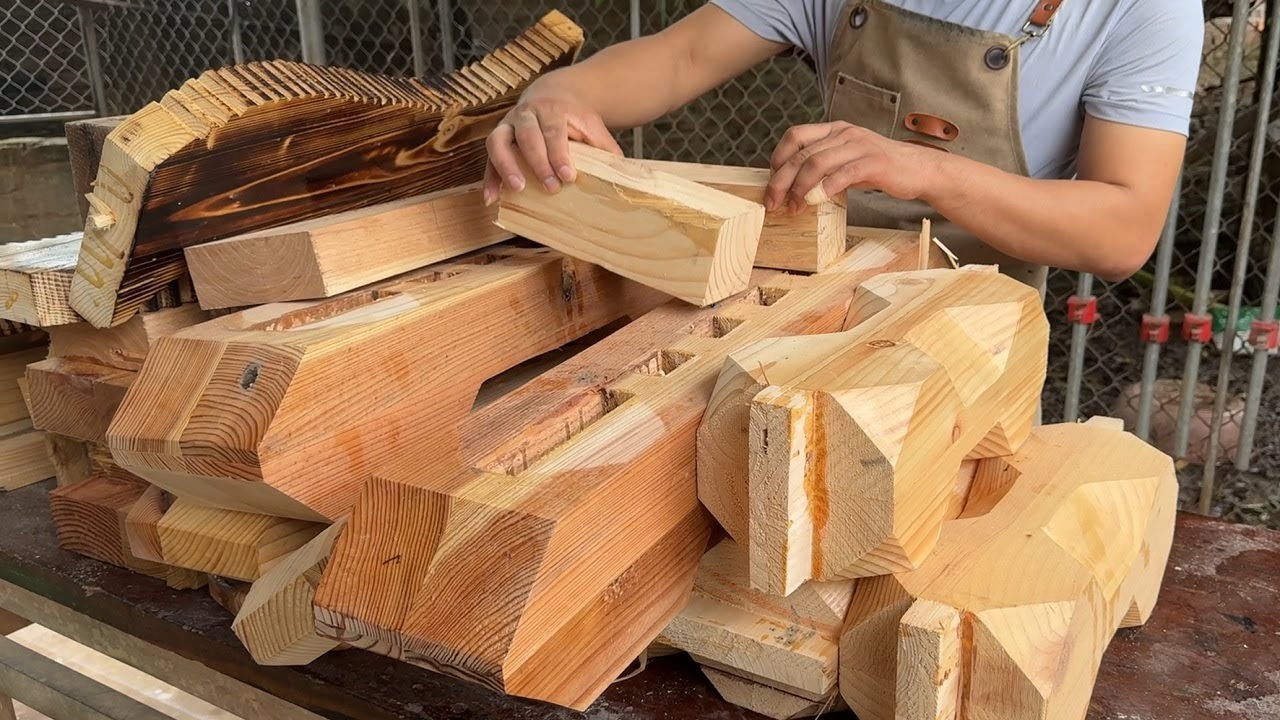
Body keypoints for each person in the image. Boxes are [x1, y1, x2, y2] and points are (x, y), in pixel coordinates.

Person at [482, 0, 1206, 287]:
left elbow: (1122, 228)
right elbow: (680, 58)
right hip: (798, 303)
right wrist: (561, 94)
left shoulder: (1143, 10)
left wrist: (925, 171)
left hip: (970, 348)